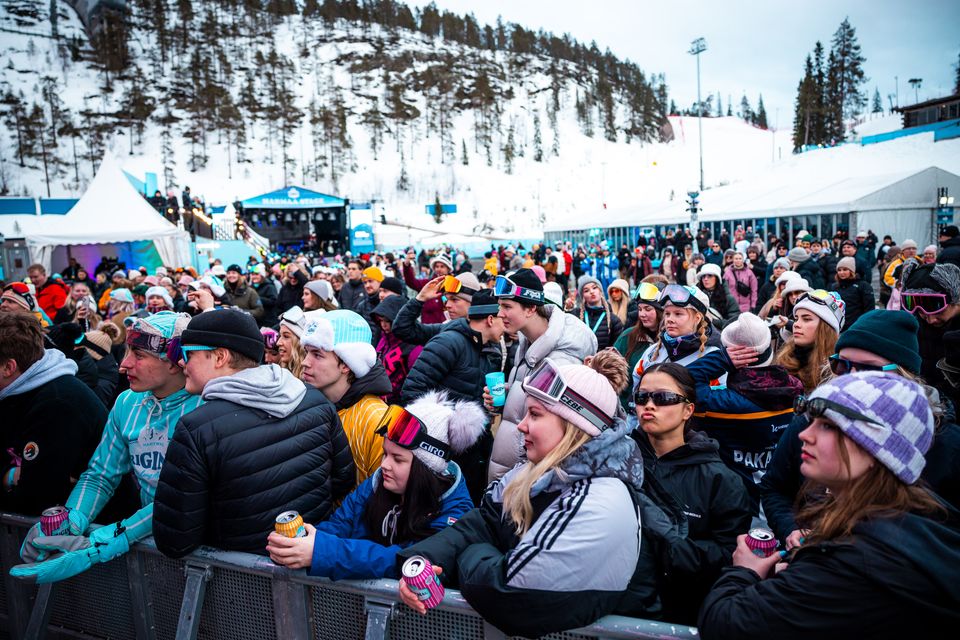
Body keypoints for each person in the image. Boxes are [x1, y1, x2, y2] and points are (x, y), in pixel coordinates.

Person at [397, 351, 648, 637]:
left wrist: (468, 554)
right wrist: (424, 559)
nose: (521, 424)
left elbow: (512, 593)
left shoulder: (604, 499)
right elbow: (485, 522)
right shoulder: (536, 471)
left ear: (575, 425)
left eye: (536, 414)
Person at [699, 372, 960, 638]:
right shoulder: (913, 520)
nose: (804, 434)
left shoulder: (857, 562)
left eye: (828, 426)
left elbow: (724, 624)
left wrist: (744, 571)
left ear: (879, 449)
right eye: (812, 421)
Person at [10, 312, 203, 584]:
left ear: (173, 361)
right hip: (155, 550)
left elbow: (181, 498)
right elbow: (101, 474)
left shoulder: (206, 406)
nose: (123, 365)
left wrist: (109, 540)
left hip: (204, 552)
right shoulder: (127, 403)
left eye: (138, 354)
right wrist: (72, 520)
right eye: (126, 351)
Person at [152, 309, 356, 557]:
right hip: (313, 566)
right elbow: (343, 479)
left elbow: (175, 540)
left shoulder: (196, 429)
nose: (182, 363)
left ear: (220, 357)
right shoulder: (314, 399)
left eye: (189, 354)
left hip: (237, 583)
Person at [760, 309, 960, 546]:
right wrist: (791, 529)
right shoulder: (812, 418)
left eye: (869, 369)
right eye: (842, 366)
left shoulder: (944, 442)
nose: (852, 378)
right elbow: (775, 487)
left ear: (904, 375)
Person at [266, 392, 484, 578]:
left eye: (398, 459)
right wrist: (306, 542)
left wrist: (322, 551)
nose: (384, 465)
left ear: (426, 469)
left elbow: (406, 560)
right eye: (385, 453)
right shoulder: (378, 482)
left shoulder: (456, 512)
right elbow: (341, 524)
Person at [631, 362, 752, 625]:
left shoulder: (721, 480)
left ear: (688, 410)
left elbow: (729, 553)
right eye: (642, 397)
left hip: (680, 613)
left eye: (663, 398)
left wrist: (669, 546)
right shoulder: (619, 460)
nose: (649, 405)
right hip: (621, 605)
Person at [685, 313, 804, 514]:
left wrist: (720, 360)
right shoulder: (796, 390)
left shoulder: (723, 403)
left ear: (733, 356)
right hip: (783, 504)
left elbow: (682, 381)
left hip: (736, 505)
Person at [488, 269, 597, 481]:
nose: (500, 313)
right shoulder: (527, 344)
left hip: (528, 476)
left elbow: (560, 435)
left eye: (507, 306)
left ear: (530, 308)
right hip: (511, 471)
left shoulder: (562, 362)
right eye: (500, 306)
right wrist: (506, 398)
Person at [401, 290, 504, 502]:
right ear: (491, 319)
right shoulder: (449, 342)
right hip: (442, 452)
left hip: (474, 452)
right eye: (505, 318)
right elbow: (412, 392)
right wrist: (446, 431)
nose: (509, 326)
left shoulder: (492, 350)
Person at [0, 313, 106, 515]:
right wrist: (10, 475)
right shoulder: (12, 391)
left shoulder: (58, 403)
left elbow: (36, 498)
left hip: (89, 534)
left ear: (8, 367)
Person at [300, 310, 392, 484]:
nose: (305, 362)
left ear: (347, 363)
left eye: (317, 354)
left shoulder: (376, 420)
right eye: (306, 352)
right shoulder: (311, 405)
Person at [900, 261, 960, 408]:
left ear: (955, 299)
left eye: (938, 310)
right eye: (921, 312)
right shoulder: (913, 327)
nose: (931, 319)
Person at [634, 284, 721, 380]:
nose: (669, 319)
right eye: (667, 313)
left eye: (678, 314)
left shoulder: (713, 357)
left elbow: (717, 392)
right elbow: (636, 386)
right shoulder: (652, 352)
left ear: (697, 318)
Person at [775, 290, 843, 392]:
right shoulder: (784, 359)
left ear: (825, 327)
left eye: (806, 319)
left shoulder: (838, 371)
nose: (796, 324)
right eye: (796, 318)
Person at [613, 281, 663, 409]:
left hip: (659, 408)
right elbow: (612, 371)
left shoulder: (671, 340)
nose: (642, 314)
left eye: (648, 309)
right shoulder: (628, 336)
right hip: (626, 409)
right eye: (640, 309)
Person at [370, 295, 422, 403]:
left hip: (401, 405)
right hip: (381, 402)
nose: (383, 325)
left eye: (388, 321)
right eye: (380, 320)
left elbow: (418, 385)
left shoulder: (414, 347)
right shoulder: (384, 339)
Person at [568, 275, 623, 350]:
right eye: (586, 290)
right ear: (583, 296)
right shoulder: (575, 315)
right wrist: (567, 309)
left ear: (600, 291)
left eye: (594, 288)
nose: (591, 292)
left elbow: (617, 349)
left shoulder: (614, 320)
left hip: (603, 360)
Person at [276, 306, 327, 380]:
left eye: (286, 336)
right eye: (280, 336)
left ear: (302, 344)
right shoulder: (279, 376)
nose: (278, 343)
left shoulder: (314, 382)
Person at [401, 253, 452, 324]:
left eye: (442, 266)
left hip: (447, 328)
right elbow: (411, 282)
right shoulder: (428, 284)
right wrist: (407, 265)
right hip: (428, 329)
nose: (439, 269)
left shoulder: (453, 285)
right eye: (437, 267)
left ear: (448, 269)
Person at [833, 256, 875, 330]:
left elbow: (869, 309)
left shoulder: (863, 286)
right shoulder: (834, 286)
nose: (841, 272)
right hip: (838, 326)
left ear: (852, 271)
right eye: (839, 270)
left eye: (845, 269)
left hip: (856, 326)